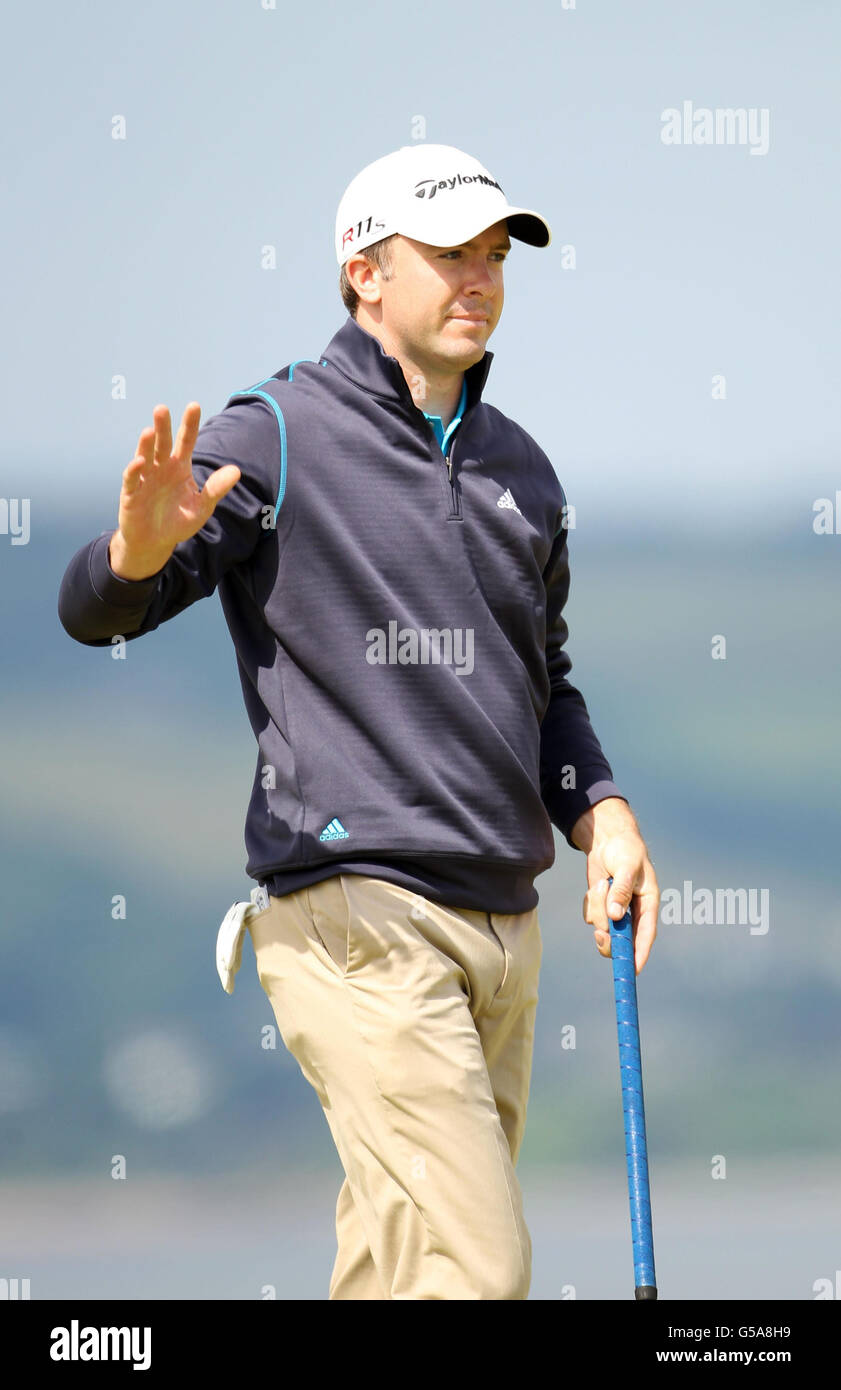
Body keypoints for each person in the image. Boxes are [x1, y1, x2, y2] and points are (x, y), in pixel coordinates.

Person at [58, 143, 659, 1300]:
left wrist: (605, 812)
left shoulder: (522, 470)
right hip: (357, 915)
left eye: (494, 255)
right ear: (364, 270)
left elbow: (548, 683)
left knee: (399, 1274)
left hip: (503, 925)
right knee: (477, 1268)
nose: (479, 277)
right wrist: (133, 555)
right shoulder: (275, 431)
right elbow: (97, 606)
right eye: (448, 254)